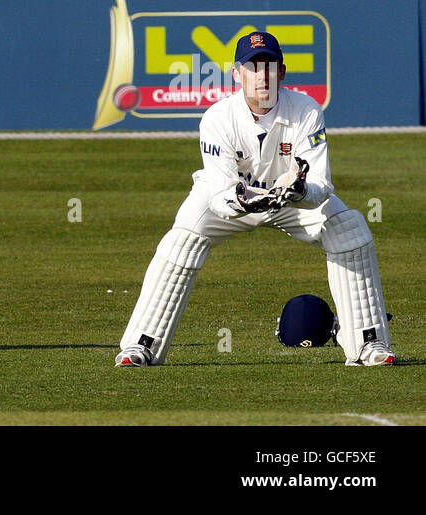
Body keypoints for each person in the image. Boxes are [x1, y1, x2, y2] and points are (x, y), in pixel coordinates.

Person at [114, 32, 395, 367]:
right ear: (237, 74)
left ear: (282, 72)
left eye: (270, 66)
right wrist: (241, 201)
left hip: (287, 199)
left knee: (350, 229)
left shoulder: (306, 111)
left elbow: (321, 183)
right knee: (181, 241)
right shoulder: (218, 118)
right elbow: (219, 194)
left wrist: (300, 191)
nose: (262, 75)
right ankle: (141, 346)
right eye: (253, 66)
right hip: (234, 195)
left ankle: (369, 344)